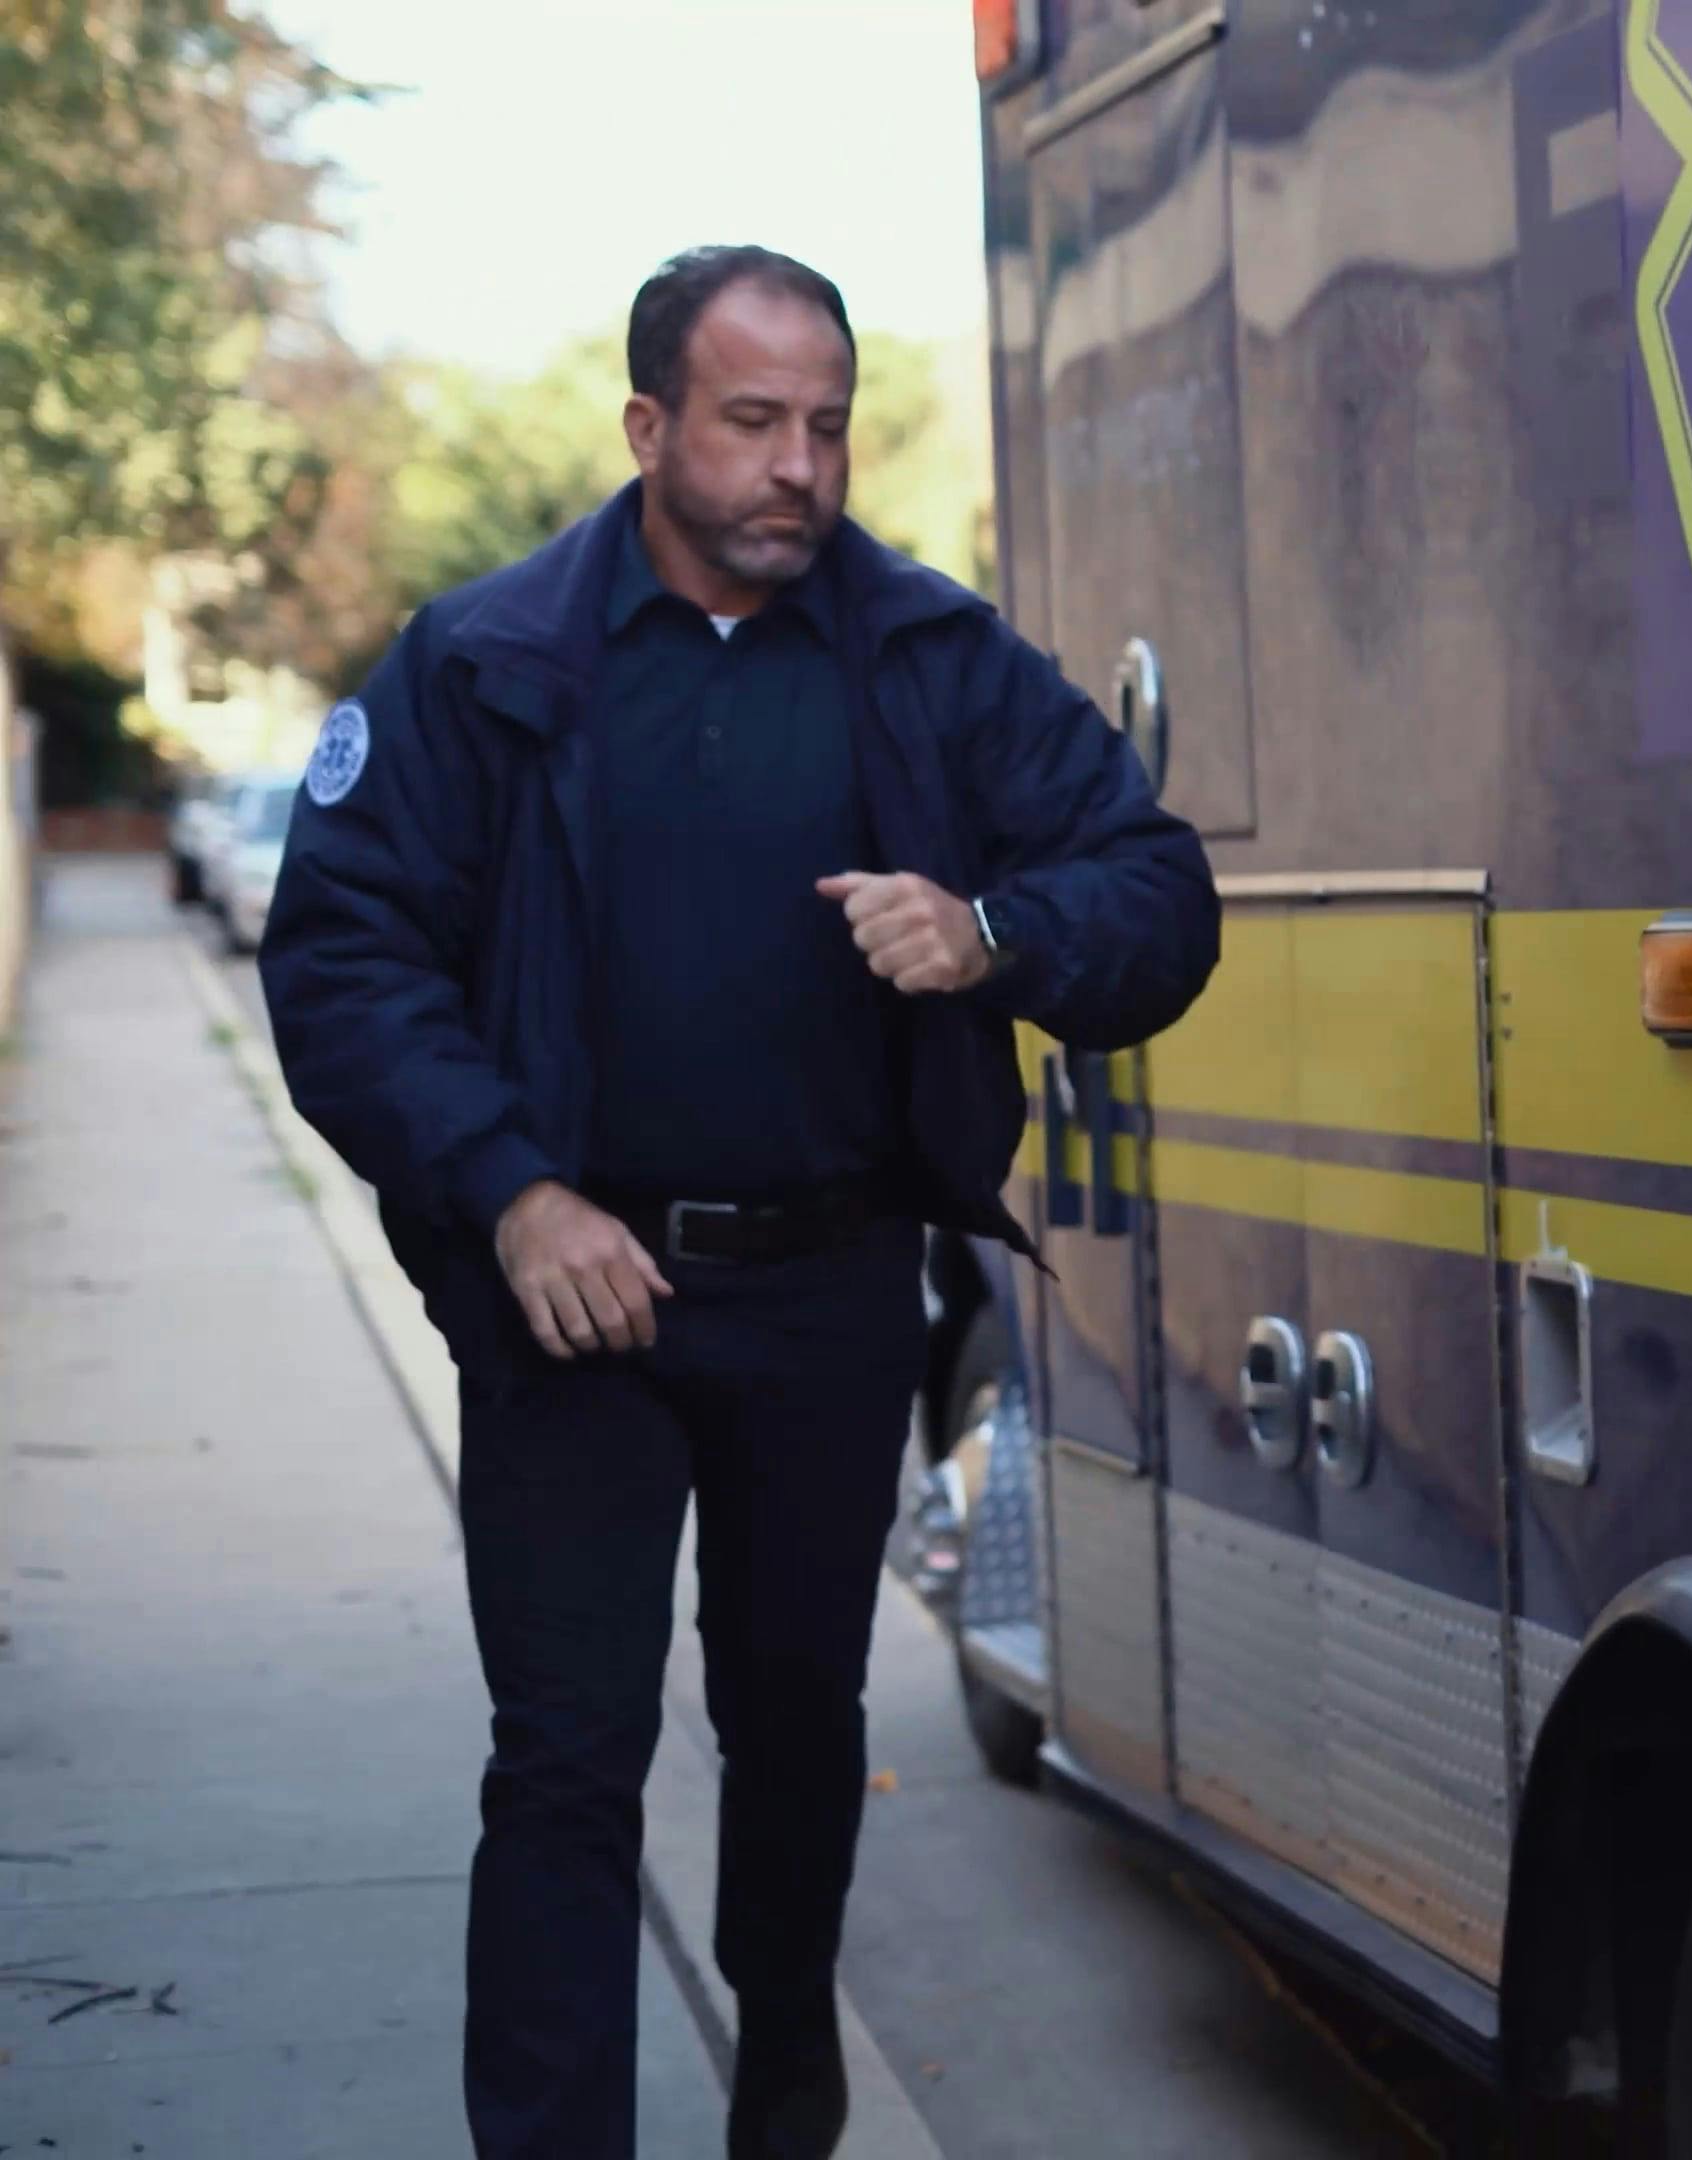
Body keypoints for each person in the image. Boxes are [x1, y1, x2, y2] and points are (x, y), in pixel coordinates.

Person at [259, 245, 1218, 2160]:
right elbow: (344, 959)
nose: (801, 466)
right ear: (648, 427)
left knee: (795, 1729)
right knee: (564, 1760)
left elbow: (1156, 888)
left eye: (829, 426)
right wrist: (514, 1194)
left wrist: (994, 931)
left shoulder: (932, 659)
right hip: (577, 1298)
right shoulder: (486, 665)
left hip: (827, 1295)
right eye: (754, 421)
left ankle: (786, 2056)